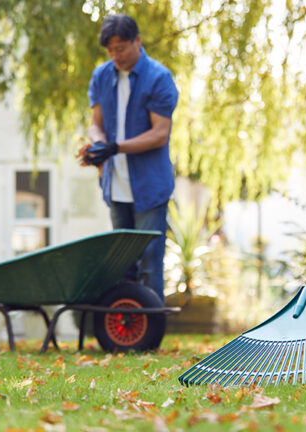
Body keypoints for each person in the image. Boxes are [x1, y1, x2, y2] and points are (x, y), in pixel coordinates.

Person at [78, 14, 178, 302]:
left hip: (150, 186)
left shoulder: (158, 78)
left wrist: (116, 147)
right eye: (110, 50)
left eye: (121, 48)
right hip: (115, 184)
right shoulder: (101, 75)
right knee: (122, 265)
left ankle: (151, 330)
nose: (115, 56)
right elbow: (96, 123)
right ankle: (125, 330)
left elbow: (160, 134)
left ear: (138, 41)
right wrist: (99, 144)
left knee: (149, 262)